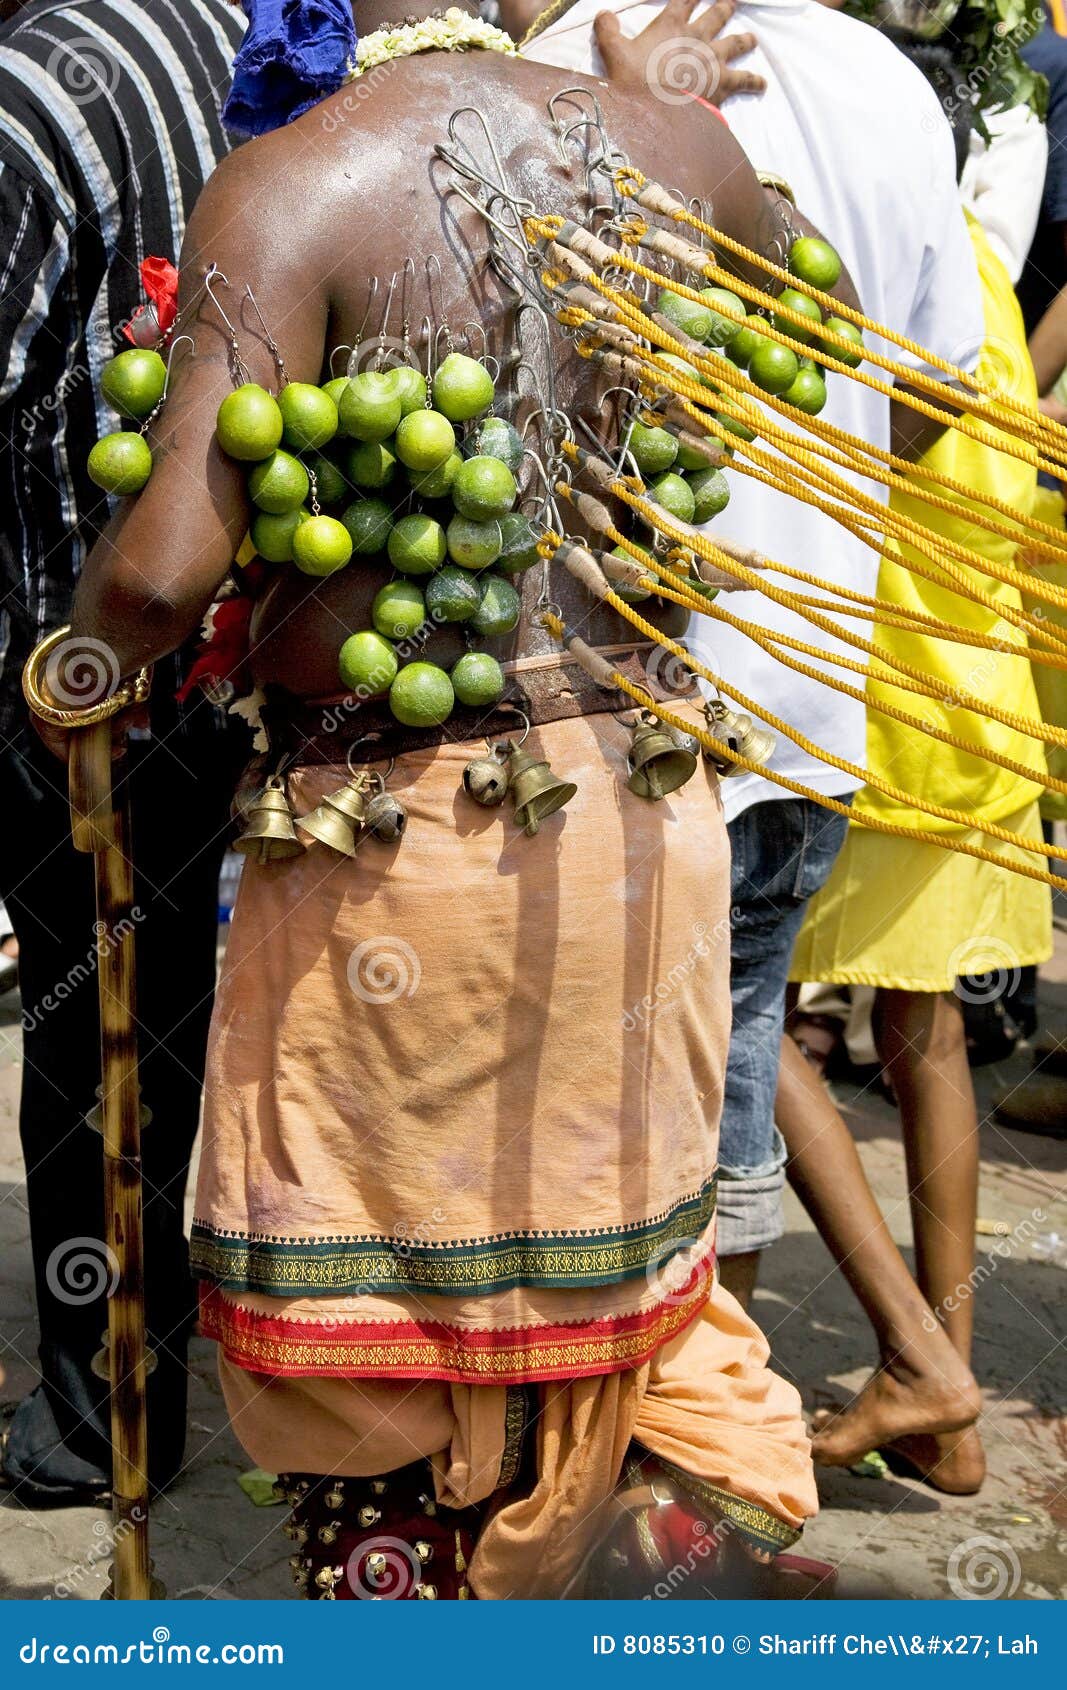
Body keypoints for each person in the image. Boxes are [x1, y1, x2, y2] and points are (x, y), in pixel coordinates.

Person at [38, 0, 832, 1600]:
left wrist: (72, 664)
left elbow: (163, 569)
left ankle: (423, 1606)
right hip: (637, 812)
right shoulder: (689, 154)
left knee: (384, 1380)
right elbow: (790, 354)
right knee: (625, 1295)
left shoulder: (295, 180)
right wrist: (651, 105)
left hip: (396, 847)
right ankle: (629, 1567)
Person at [517, 0, 985, 1451]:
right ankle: (719, 1458)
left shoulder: (567, 56)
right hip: (805, 680)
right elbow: (931, 397)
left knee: (642, 1107)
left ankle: (681, 1476)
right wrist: (809, 459)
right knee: (729, 1063)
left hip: (636, 691)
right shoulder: (891, 81)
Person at [787, 31, 1053, 1496]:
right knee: (923, 1031)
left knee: (748, 1019)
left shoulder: (868, 283)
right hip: (972, 709)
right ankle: (947, 1407)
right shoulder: (986, 285)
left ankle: (916, 1358)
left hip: (878, 709)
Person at [0, 0, 247, 1505]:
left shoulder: (46, 81)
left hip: (69, 657)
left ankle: (104, 1415)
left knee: (95, 1038)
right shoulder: (247, 33)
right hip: (203, 658)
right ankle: (136, 1378)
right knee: (150, 1025)